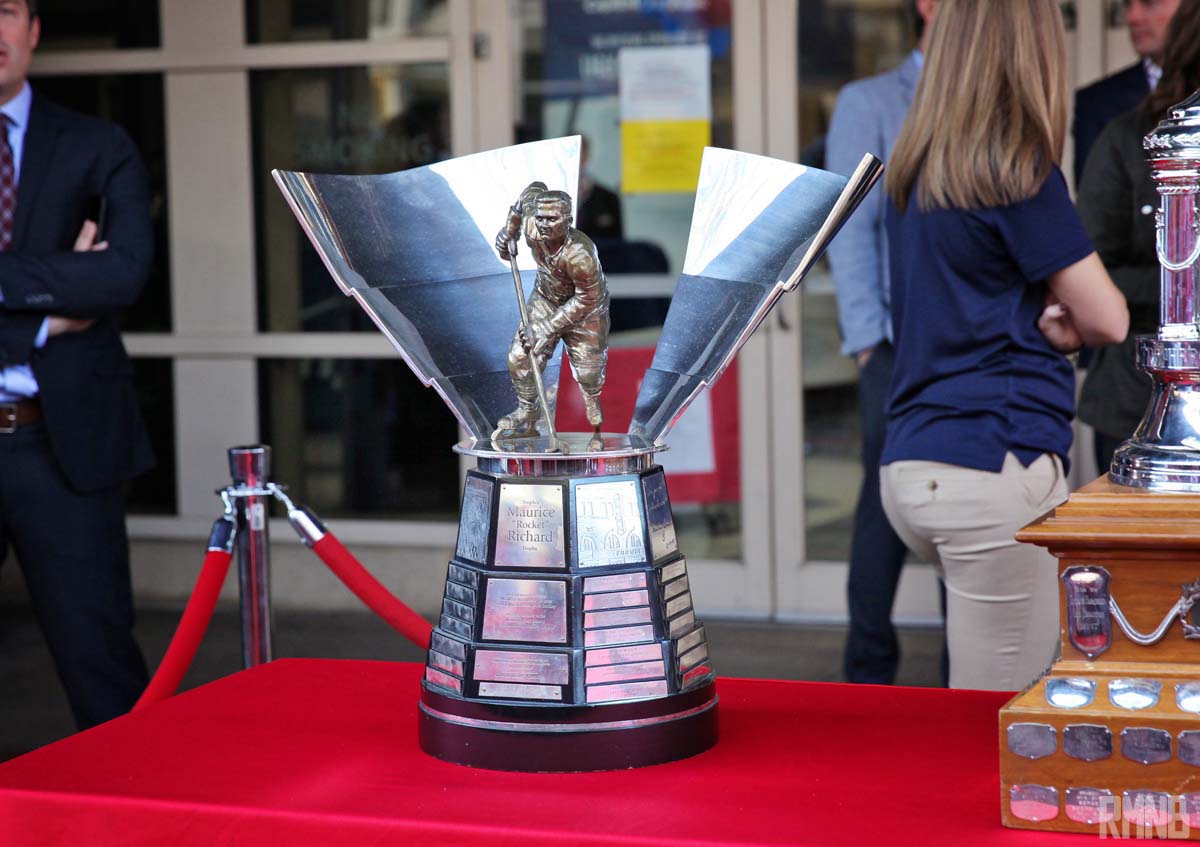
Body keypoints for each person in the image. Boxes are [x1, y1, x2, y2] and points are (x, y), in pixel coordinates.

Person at [880, 0, 1129, 691]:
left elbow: (965, 300)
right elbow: (1108, 316)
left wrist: (1047, 320)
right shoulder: (1016, 168)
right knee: (996, 725)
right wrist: (1068, 326)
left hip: (913, 462)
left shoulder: (917, 166)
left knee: (976, 696)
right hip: (993, 464)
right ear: (1033, 46)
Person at [0, 0, 154, 727]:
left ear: (33, 27)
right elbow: (86, 282)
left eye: (3, 10)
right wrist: (51, 301)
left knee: (101, 669)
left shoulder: (98, 145)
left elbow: (122, 274)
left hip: (59, 446)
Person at [826, 0, 939, 685]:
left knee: (961, 509)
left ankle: (969, 673)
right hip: (895, 347)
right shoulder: (868, 100)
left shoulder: (987, 96)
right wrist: (869, 340)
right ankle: (868, 671)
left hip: (962, 346)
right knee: (883, 508)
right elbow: (849, 229)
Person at [1078, 0, 1200, 474]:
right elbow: (1091, 269)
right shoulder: (1128, 138)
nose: (1132, 15)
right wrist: (1183, 288)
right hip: (1141, 405)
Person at [493, 183, 610, 436]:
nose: (544, 224)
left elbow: (587, 299)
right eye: (541, 218)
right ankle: (528, 408)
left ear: (568, 221)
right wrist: (509, 231)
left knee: (589, 371)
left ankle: (591, 396)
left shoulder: (580, 255)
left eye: (552, 219)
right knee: (519, 355)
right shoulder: (532, 224)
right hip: (546, 297)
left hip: (585, 309)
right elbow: (529, 194)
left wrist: (546, 328)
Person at [1074, 0, 1180, 185]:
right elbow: (1094, 202)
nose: (1132, 17)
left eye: (1150, 3)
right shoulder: (1096, 102)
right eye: (1127, 5)